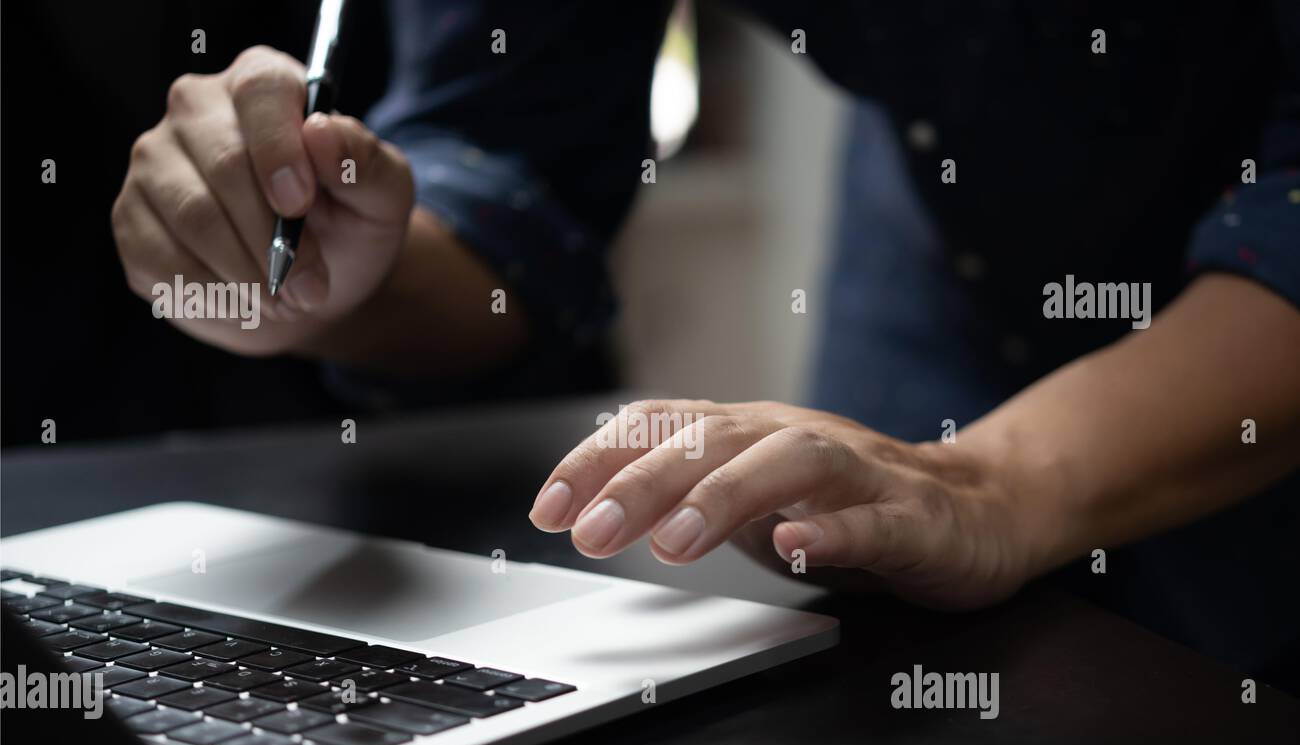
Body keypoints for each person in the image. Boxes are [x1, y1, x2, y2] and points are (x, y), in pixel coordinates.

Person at [111, 2, 1300, 686]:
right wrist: (345, 279)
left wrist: (992, 481)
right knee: (875, 698)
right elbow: (513, 151)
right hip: (944, 231)